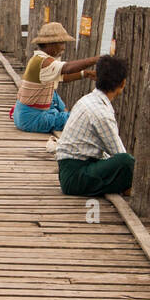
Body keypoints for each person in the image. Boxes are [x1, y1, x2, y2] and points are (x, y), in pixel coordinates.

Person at [56, 55, 134, 197]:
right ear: (123, 83)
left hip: (70, 172)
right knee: (127, 162)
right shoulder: (101, 113)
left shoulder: (88, 100)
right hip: (75, 178)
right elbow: (120, 154)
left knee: (123, 163)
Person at [13, 22, 100, 134]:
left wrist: (85, 74)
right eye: (61, 43)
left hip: (22, 115)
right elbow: (67, 68)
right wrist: (95, 60)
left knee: (54, 95)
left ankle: (63, 113)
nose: (64, 47)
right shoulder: (44, 62)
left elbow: (63, 77)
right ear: (50, 44)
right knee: (80, 120)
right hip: (32, 119)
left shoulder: (38, 58)